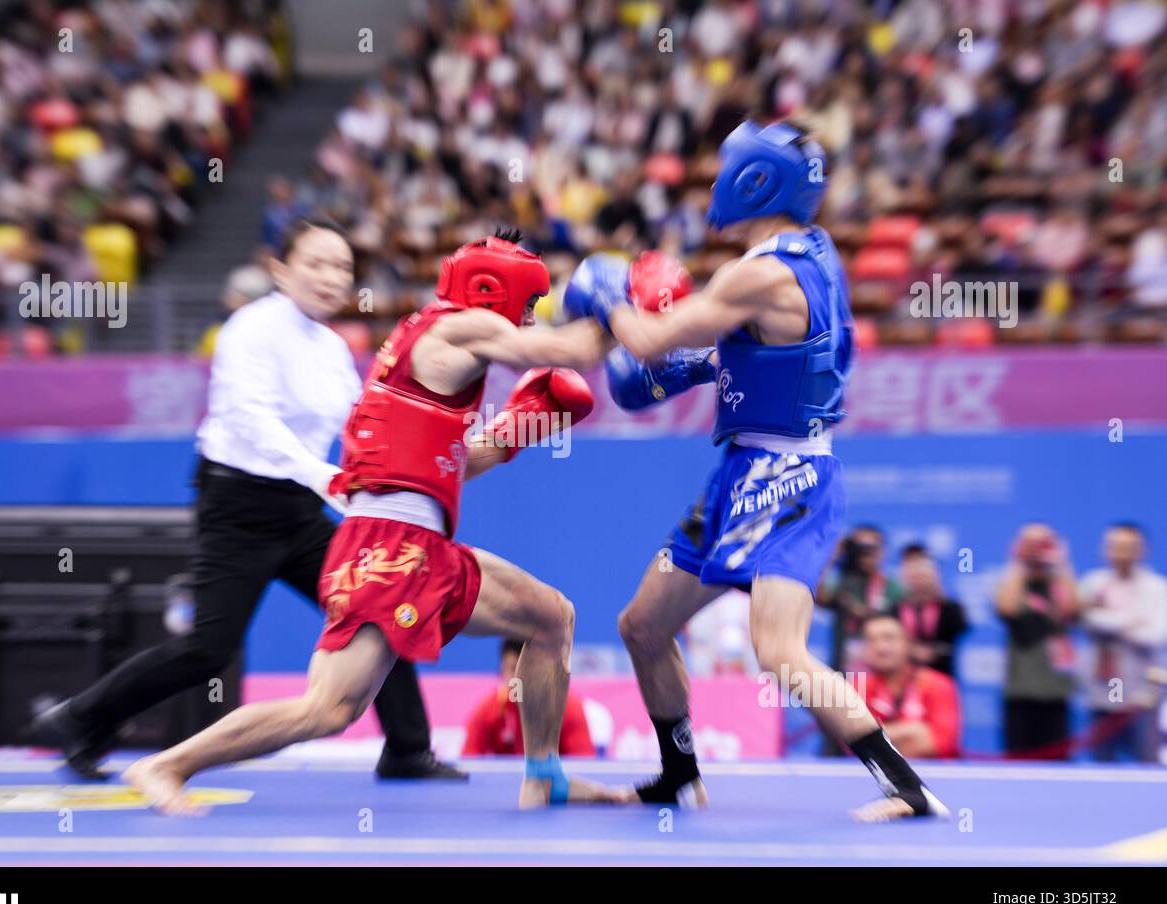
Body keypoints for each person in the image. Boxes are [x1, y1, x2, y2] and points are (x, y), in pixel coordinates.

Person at [124, 231, 626, 814]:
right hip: (388, 549)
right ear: (491, 291)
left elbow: (447, 469)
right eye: (526, 303)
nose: (528, 316)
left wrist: (520, 430)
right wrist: (628, 304)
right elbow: (576, 351)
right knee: (329, 709)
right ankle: (166, 765)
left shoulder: (434, 350)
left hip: (411, 541)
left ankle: (543, 777)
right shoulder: (462, 325)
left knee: (551, 617)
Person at [565, 119, 947, 821]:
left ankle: (907, 787)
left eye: (723, 172)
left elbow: (645, 338)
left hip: (790, 477)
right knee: (643, 625)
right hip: (744, 472)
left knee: (778, 647)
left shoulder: (759, 272)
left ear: (754, 182)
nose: (712, 187)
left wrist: (604, 292)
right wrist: (703, 365)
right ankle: (679, 773)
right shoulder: (813, 253)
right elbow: (786, 354)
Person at [35, 219, 464, 782]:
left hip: (302, 511)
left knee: (378, 606)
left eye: (342, 267)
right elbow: (250, 418)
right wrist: (323, 476)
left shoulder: (335, 348)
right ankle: (80, 719)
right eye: (316, 263)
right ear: (280, 270)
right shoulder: (250, 329)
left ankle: (408, 750)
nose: (332, 277)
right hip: (239, 506)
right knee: (208, 650)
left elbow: (361, 424)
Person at [1079, 523, 1167, 763]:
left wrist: (1109, 619)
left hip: (1142, 695)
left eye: (1128, 547)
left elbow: (1153, 635)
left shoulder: (1157, 588)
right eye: (1115, 547)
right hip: (1102, 690)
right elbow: (1086, 621)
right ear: (1105, 549)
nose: (1121, 554)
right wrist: (1131, 621)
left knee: (1146, 761)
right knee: (1101, 762)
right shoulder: (1093, 583)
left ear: (1142, 550)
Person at [994, 523, 1080, 760]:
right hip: (1019, 690)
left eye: (1042, 543)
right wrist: (1017, 561)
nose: (1035, 550)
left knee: (1057, 761)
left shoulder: (1059, 583)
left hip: (1055, 690)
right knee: (1018, 760)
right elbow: (1007, 608)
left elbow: (1071, 610)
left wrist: (1061, 562)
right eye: (1028, 543)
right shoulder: (1015, 583)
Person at [850, 615, 960, 760]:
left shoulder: (938, 684)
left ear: (908, 644)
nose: (880, 647)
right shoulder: (856, 687)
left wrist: (878, 737)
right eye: (871, 640)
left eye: (889, 638)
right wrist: (914, 730)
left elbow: (943, 744)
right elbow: (852, 743)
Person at [462, 640, 596, 757]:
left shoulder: (568, 708)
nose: (512, 679)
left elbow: (583, 767)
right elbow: (469, 761)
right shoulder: (490, 709)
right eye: (508, 669)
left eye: (518, 669)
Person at [817, 525, 901, 671]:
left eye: (871, 548)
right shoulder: (841, 582)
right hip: (844, 670)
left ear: (882, 551)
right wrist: (830, 558)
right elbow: (818, 597)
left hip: (881, 673)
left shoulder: (893, 588)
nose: (864, 554)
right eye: (859, 548)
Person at [894, 545, 970, 678]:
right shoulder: (895, 608)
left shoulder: (949, 607)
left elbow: (961, 626)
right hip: (902, 675)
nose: (920, 580)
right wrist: (911, 650)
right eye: (914, 575)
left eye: (924, 574)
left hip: (941, 673)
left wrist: (939, 593)